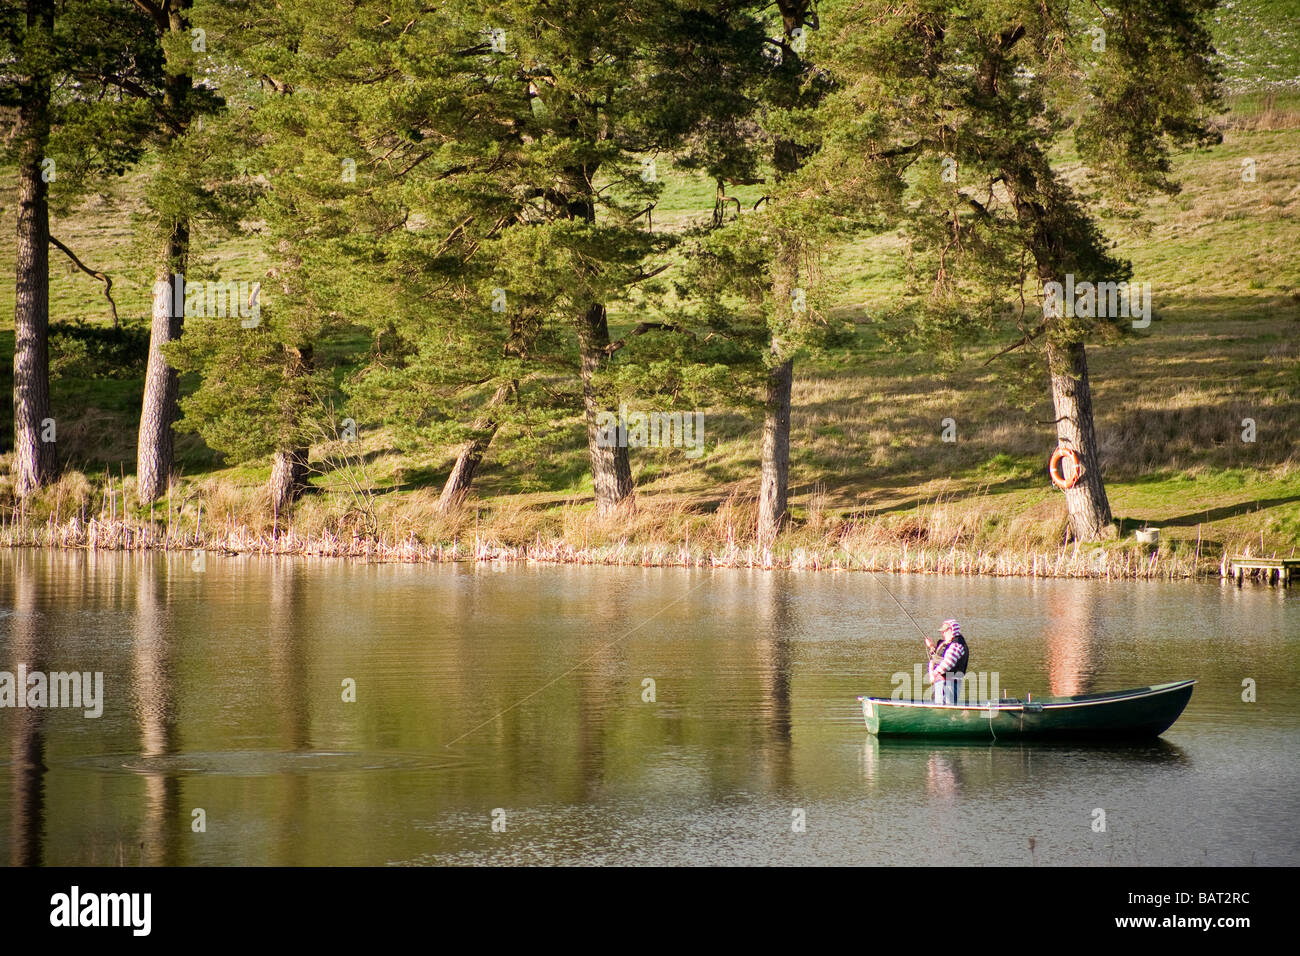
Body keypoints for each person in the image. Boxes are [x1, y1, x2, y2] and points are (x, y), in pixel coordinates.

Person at [925, 619, 969, 704]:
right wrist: (931, 646)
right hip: (944, 684)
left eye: (945, 631)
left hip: (947, 685)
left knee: (943, 711)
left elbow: (948, 663)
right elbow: (940, 657)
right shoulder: (950, 644)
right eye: (942, 631)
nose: (943, 633)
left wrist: (933, 674)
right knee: (943, 710)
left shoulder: (956, 645)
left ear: (952, 630)